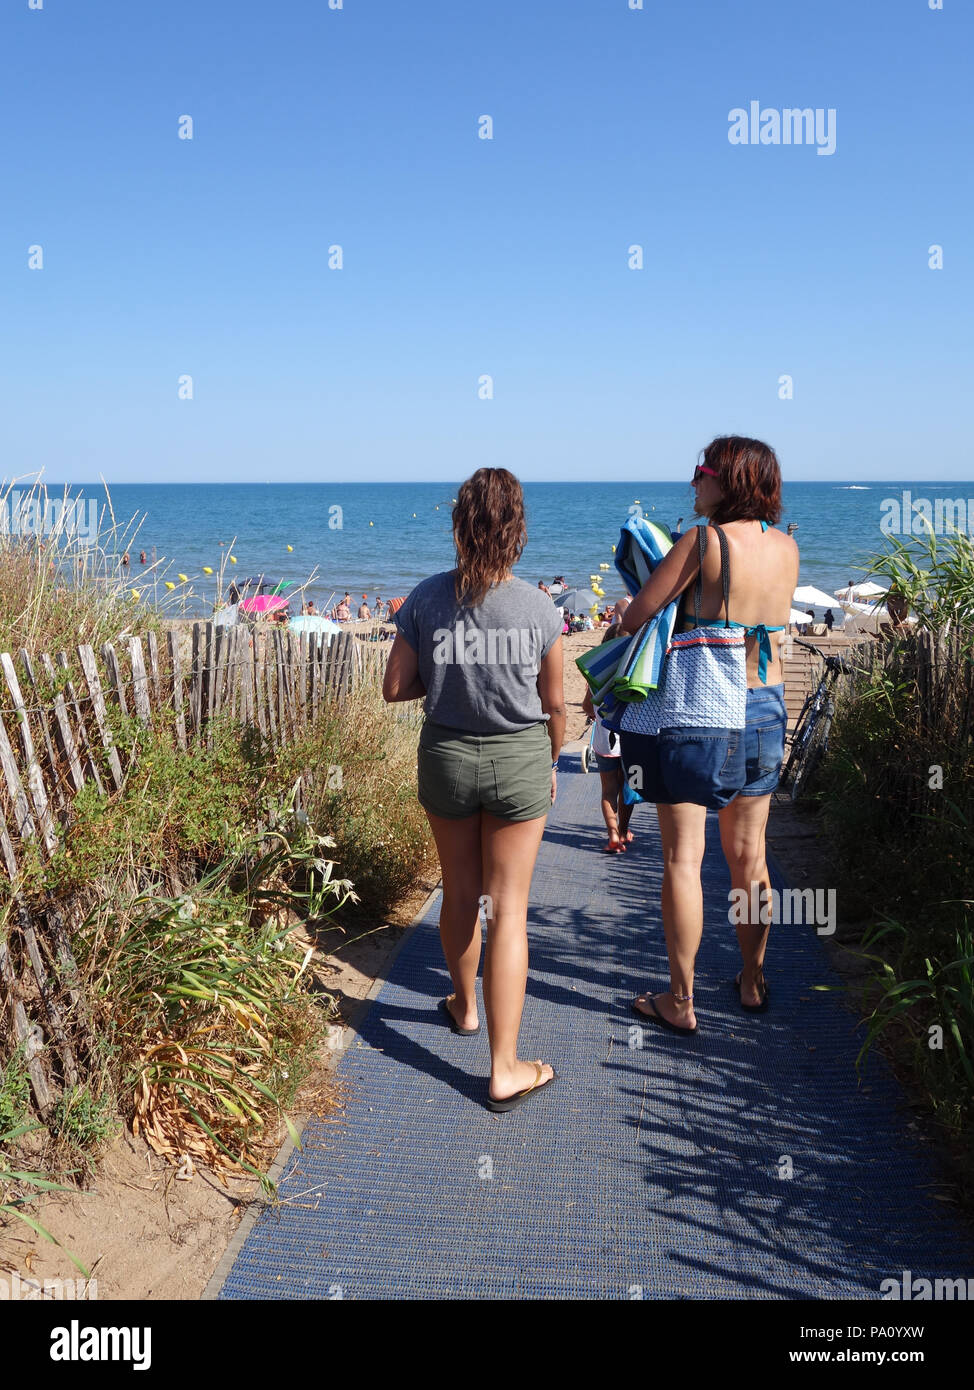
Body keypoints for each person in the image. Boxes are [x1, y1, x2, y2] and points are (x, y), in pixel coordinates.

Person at [383, 467, 564, 1111]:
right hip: (519, 758)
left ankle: (463, 1009)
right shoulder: (542, 608)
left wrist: (445, 676)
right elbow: (554, 703)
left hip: (448, 757)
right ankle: (505, 1067)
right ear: (516, 529)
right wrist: (550, 755)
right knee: (509, 909)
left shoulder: (427, 598)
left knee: (459, 892)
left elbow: (395, 687)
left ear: (459, 523)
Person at [618, 436, 799, 1029]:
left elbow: (635, 614)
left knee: (684, 858)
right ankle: (751, 980)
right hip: (767, 706)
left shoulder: (704, 541)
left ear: (729, 480)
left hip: (702, 713)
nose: (693, 483)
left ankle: (682, 1000)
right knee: (750, 857)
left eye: (701, 472)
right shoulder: (788, 548)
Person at [582, 624, 634, 853]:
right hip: (632, 742)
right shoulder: (636, 674)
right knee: (628, 788)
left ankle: (612, 834)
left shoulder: (597, 675)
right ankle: (623, 830)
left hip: (604, 741)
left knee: (608, 791)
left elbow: (587, 706)